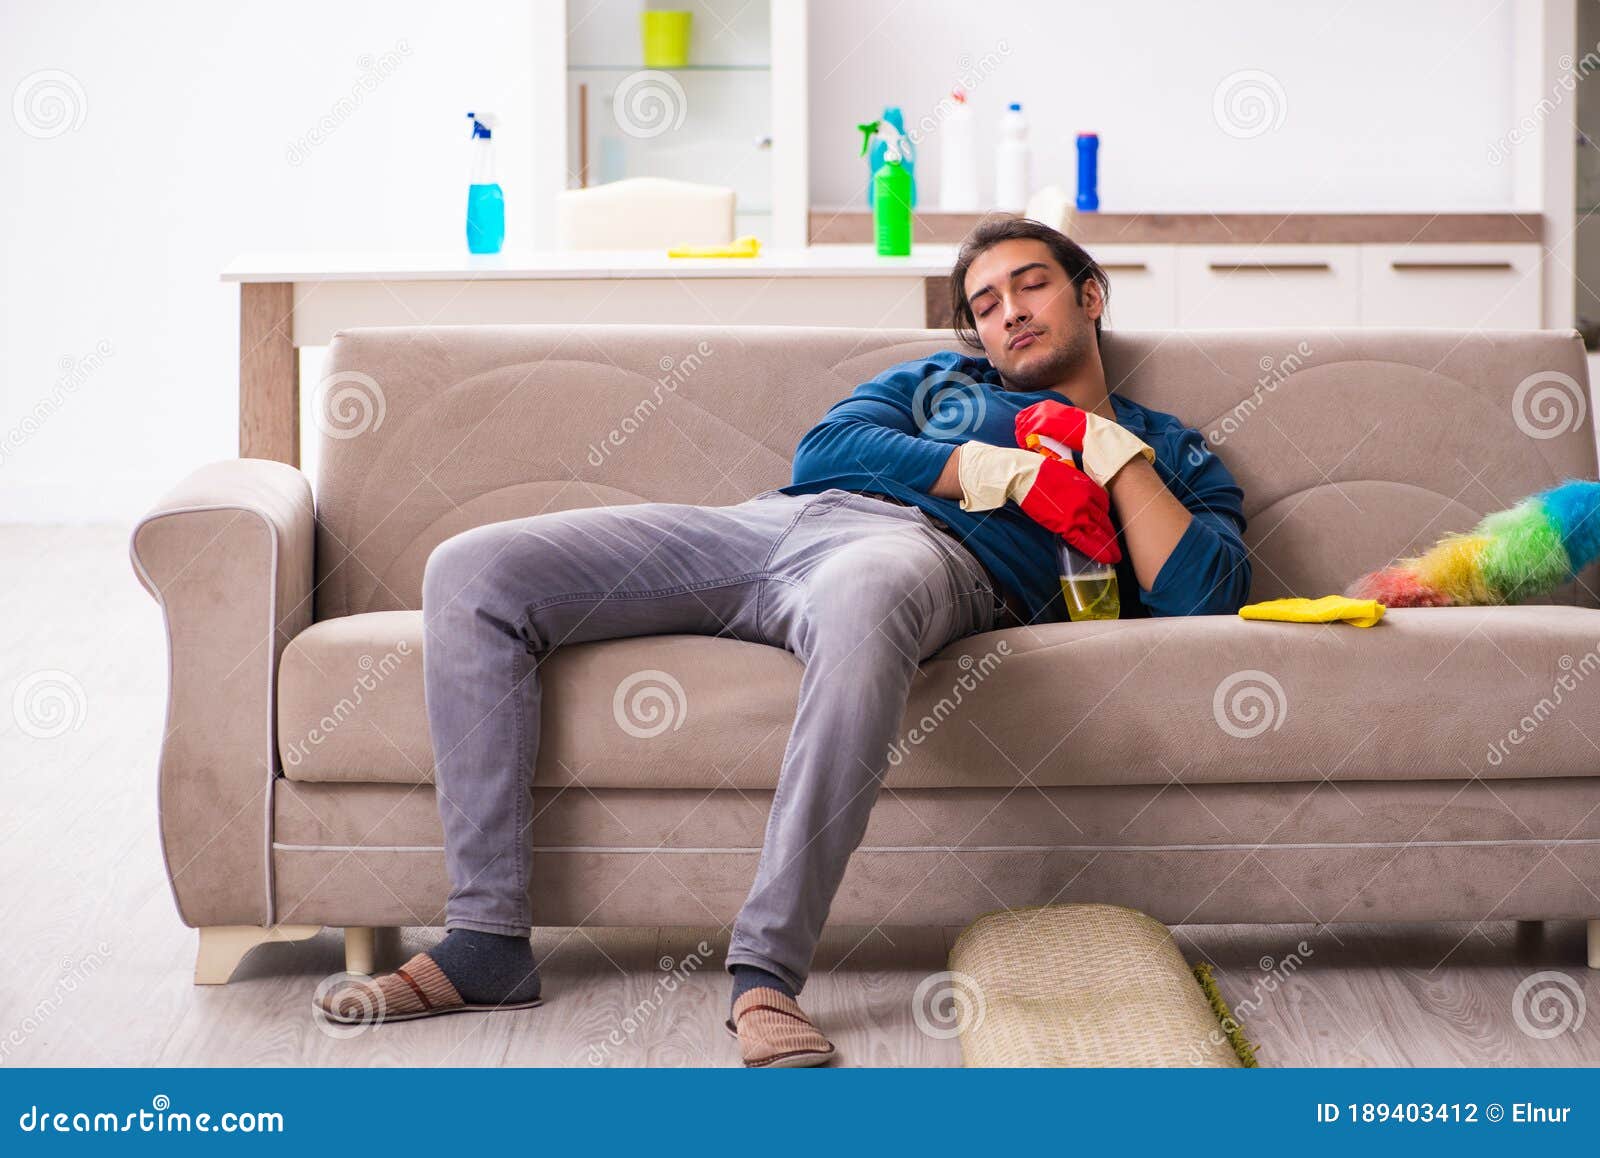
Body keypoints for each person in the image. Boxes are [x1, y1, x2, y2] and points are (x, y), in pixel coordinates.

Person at [316, 217, 1251, 1067]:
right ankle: (484, 942)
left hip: (918, 558)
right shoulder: (941, 384)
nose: (1009, 313)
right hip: (769, 529)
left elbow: (1203, 592)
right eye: (986, 303)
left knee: (868, 599)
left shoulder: (1170, 447)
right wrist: (985, 465)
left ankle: (765, 973)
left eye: (1032, 285)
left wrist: (1109, 453)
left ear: (1090, 295)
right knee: (475, 569)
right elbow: (831, 451)